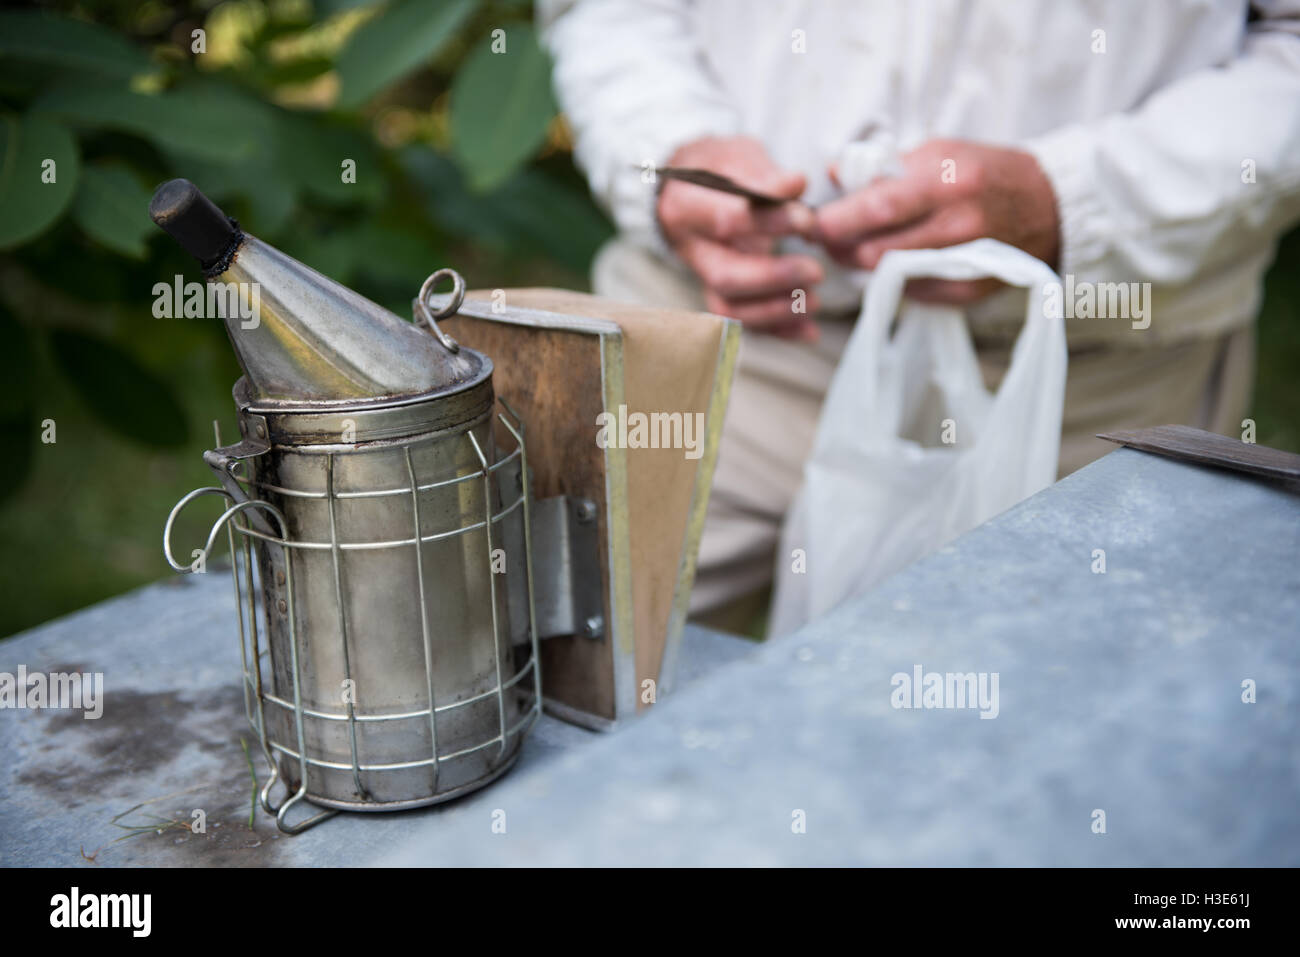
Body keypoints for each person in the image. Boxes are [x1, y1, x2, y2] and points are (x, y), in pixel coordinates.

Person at [538, 0, 1300, 630]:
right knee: (543, 655)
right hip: (707, 334)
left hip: (1087, 377)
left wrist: (1072, 200)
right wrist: (674, 152)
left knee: (1033, 734)